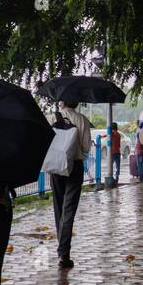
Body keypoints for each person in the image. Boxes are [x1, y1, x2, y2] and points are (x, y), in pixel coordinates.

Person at [51, 100, 92, 268]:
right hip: (74, 167)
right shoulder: (82, 119)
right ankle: (64, 253)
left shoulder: (52, 117)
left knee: (58, 208)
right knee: (69, 210)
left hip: (56, 166)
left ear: (62, 102)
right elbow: (86, 146)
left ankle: (62, 248)